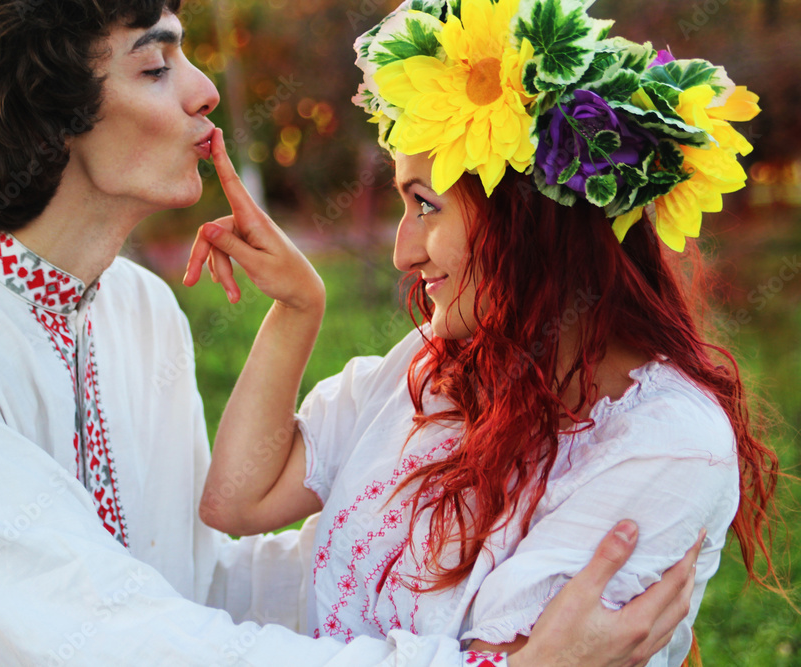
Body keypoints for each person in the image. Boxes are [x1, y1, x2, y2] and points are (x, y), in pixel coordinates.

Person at [0, 0, 704, 664]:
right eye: (155, 67)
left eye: (187, 56)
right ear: (52, 115)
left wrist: (405, 562)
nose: (202, 92)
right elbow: (102, 638)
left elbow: (193, 586)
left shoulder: (138, 311)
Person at [189, 0, 779, 665]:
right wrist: (298, 307)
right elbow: (237, 500)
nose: (402, 252)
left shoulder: (666, 443)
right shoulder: (437, 366)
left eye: (425, 205)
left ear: (527, 217)